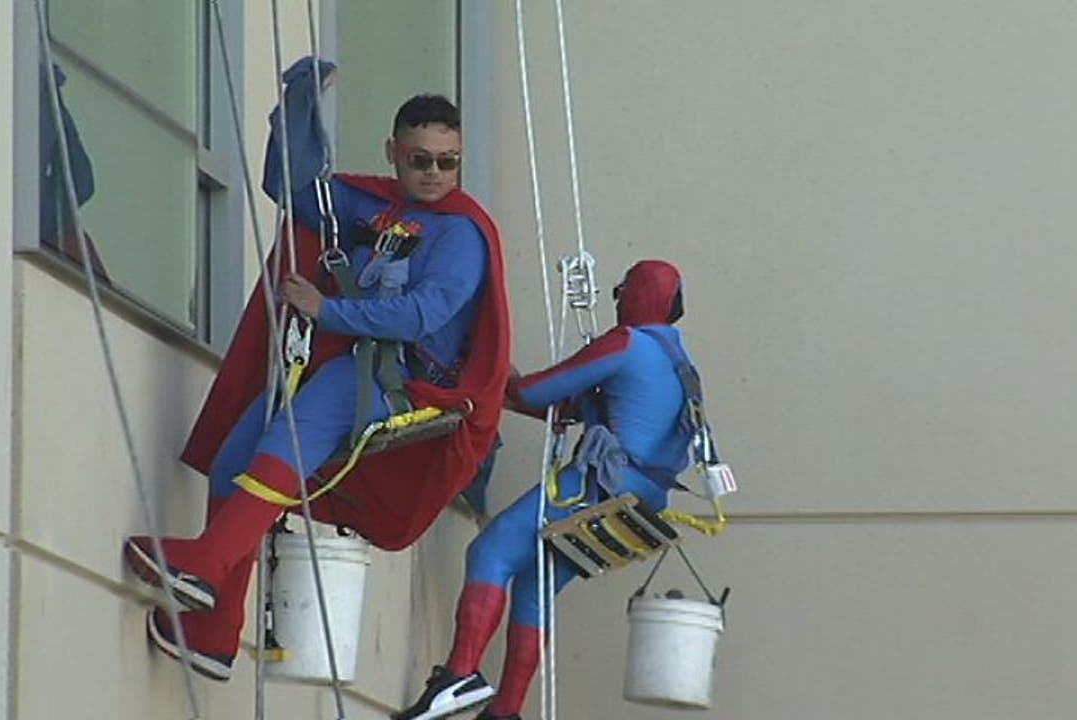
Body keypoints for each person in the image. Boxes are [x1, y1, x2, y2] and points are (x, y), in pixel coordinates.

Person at [123, 60, 511, 684]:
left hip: (396, 380)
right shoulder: (372, 203)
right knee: (235, 461)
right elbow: (295, 185)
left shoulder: (463, 234)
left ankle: (206, 564)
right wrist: (297, 108)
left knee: (289, 439)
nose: (433, 173)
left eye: (447, 161)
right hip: (339, 362)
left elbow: (424, 312)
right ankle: (215, 630)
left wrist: (326, 308)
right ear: (395, 152)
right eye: (420, 160)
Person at [394, 260, 697, 720]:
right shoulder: (678, 361)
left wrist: (498, 377)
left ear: (635, 295)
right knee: (536, 585)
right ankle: (507, 710)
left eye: (622, 290)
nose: (616, 300)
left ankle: (461, 675)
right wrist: (510, 392)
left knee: (491, 552)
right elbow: (571, 408)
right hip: (644, 498)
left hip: (599, 484)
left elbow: (539, 393)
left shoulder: (626, 343)